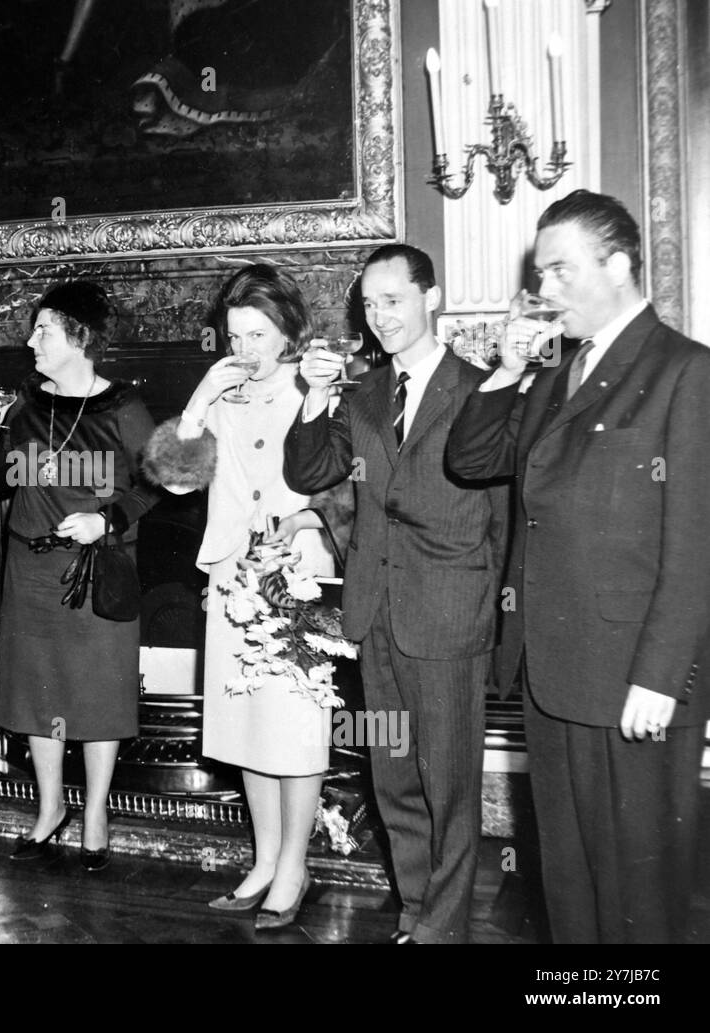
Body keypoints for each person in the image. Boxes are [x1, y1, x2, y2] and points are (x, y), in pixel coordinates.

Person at [447, 190, 710, 943]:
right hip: (554, 669)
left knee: (639, 889)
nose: (545, 290)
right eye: (540, 273)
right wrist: (504, 370)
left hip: (635, 676)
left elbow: (696, 543)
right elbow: (471, 460)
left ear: (619, 265)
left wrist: (661, 675)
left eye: (561, 271)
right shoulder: (559, 372)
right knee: (568, 880)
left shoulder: (685, 373)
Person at [284, 244, 508, 944]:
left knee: (449, 784)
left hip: (448, 612)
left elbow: (501, 515)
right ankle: (416, 909)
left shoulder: (482, 389)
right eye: (370, 303)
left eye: (394, 299)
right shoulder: (363, 394)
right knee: (395, 778)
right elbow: (308, 469)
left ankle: (445, 926)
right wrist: (316, 399)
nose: (380, 316)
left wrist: (490, 606)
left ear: (431, 298)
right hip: (376, 610)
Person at [141, 264, 352, 931]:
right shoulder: (222, 394)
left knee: (293, 731)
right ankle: (263, 862)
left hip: (296, 580)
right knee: (246, 728)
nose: (244, 349)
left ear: (288, 328)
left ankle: (296, 865)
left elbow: (347, 488)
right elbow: (172, 481)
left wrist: (308, 523)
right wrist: (201, 398)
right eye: (234, 335)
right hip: (233, 577)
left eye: (258, 334)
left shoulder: (317, 385)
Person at [0, 281, 159, 871]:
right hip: (30, 571)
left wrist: (105, 520)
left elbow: (158, 485)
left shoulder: (125, 410)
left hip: (98, 571)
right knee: (38, 692)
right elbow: (0, 483)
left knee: (99, 694)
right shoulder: (27, 405)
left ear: (79, 339)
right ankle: (50, 808)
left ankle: (97, 814)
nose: (31, 341)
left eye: (43, 332)